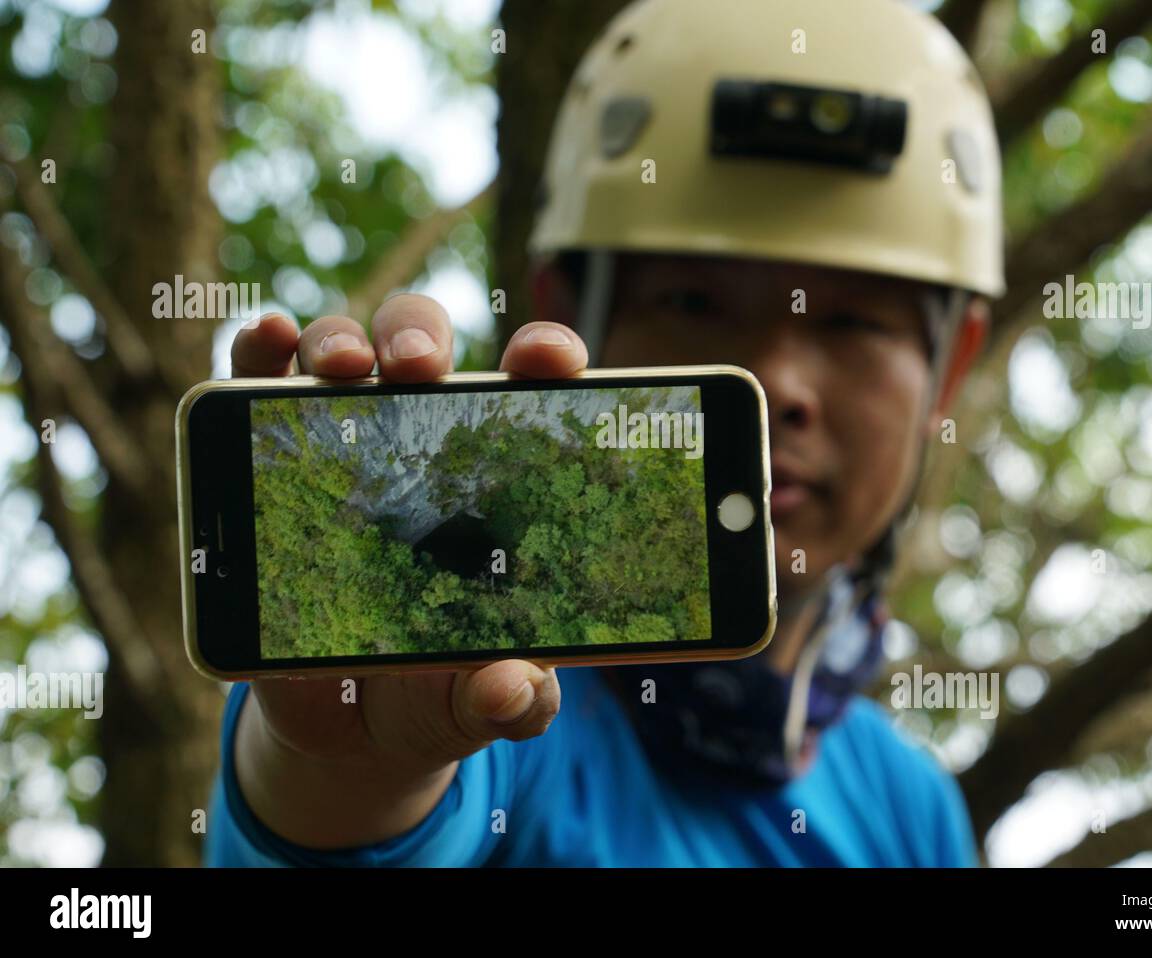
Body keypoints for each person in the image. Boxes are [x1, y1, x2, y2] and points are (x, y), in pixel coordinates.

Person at [205, 0, 1004, 866]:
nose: (779, 385)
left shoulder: (914, 813)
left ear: (949, 372)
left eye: (853, 322)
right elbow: (354, 801)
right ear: (564, 315)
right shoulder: (480, 703)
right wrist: (351, 766)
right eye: (693, 302)